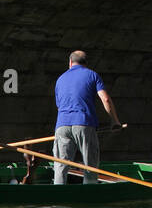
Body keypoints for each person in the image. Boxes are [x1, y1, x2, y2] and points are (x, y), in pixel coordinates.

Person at [52, 50, 123, 184]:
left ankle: (58, 197)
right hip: (84, 124)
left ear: (70, 63)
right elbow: (105, 99)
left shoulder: (60, 79)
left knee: (60, 166)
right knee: (89, 165)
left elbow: (59, 107)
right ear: (86, 63)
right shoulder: (92, 75)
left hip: (62, 125)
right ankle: (89, 192)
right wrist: (115, 121)